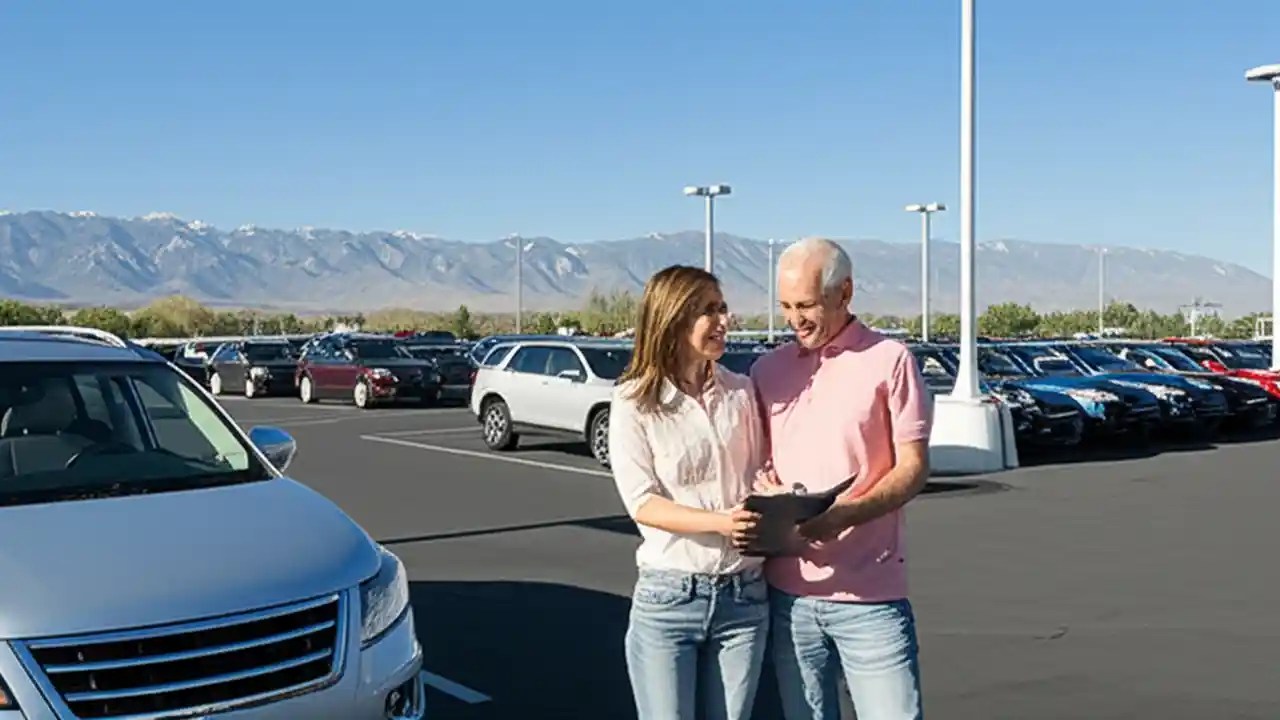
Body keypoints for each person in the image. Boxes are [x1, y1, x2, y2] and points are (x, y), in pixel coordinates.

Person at [746, 237, 933, 720]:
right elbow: (759, 463)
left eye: (805, 305)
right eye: (785, 306)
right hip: (787, 597)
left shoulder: (891, 361)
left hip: (870, 598)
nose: (794, 319)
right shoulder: (767, 370)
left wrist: (846, 513)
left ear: (844, 292)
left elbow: (912, 468)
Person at [608, 264, 772, 720]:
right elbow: (642, 502)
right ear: (673, 321)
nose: (722, 321)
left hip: (744, 599)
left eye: (722, 308)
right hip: (669, 599)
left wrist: (775, 491)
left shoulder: (741, 392)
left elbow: (759, 472)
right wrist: (722, 522)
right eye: (707, 311)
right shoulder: (634, 402)